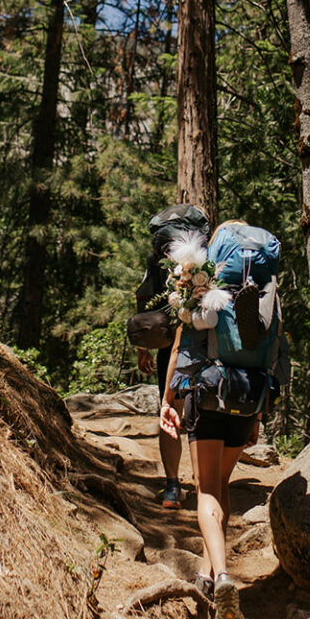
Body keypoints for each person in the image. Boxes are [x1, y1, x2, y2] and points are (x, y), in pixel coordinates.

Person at [159, 326, 257, 619]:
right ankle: (207, 574)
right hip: (246, 397)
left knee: (206, 490)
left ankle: (224, 576)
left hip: (206, 396)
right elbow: (268, 355)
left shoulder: (198, 297)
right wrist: (256, 416)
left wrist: (167, 401)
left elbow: (178, 350)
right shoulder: (258, 297)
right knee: (222, 484)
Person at [133, 203, 210, 508]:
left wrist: (143, 347)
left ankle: (172, 487)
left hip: (169, 347)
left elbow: (144, 300)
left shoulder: (157, 260)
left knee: (170, 410)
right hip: (207, 344)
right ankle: (206, 487)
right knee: (200, 413)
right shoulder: (207, 256)